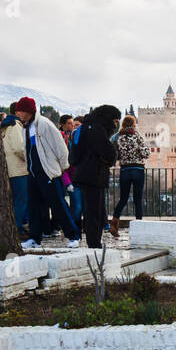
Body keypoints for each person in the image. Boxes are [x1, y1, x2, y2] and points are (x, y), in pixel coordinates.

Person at [16, 96, 81, 248]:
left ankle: (73, 236)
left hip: (48, 172)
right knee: (34, 206)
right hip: (33, 173)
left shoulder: (44, 124)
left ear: (27, 111)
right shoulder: (25, 127)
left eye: (20, 111)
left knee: (58, 204)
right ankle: (35, 238)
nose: (18, 114)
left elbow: (60, 146)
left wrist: (62, 166)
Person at [70, 105, 121, 248]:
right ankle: (94, 244)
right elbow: (109, 153)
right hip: (94, 175)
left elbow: (75, 156)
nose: (116, 125)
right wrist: (107, 158)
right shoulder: (96, 129)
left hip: (84, 174)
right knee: (94, 212)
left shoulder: (84, 128)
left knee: (93, 211)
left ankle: (94, 242)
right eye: (115, 121)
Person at [110, 114, 149, 236]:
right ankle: (139, 228)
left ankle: (114, 223)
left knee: (123, 199)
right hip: (138, 169)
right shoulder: (137, 136)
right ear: (133, 125)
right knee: (138, 199)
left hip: (125, 170)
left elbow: (115, 154)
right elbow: (146, 153)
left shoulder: (118, 137)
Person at [2, 105, 30, 236]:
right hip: (18, 169)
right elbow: (19, 148)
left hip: (8, 169)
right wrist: (29, 160)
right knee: (20, 199)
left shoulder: (4, 126)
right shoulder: (15, 126)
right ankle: (17, 228)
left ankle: (14, 227)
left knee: (14, 200)